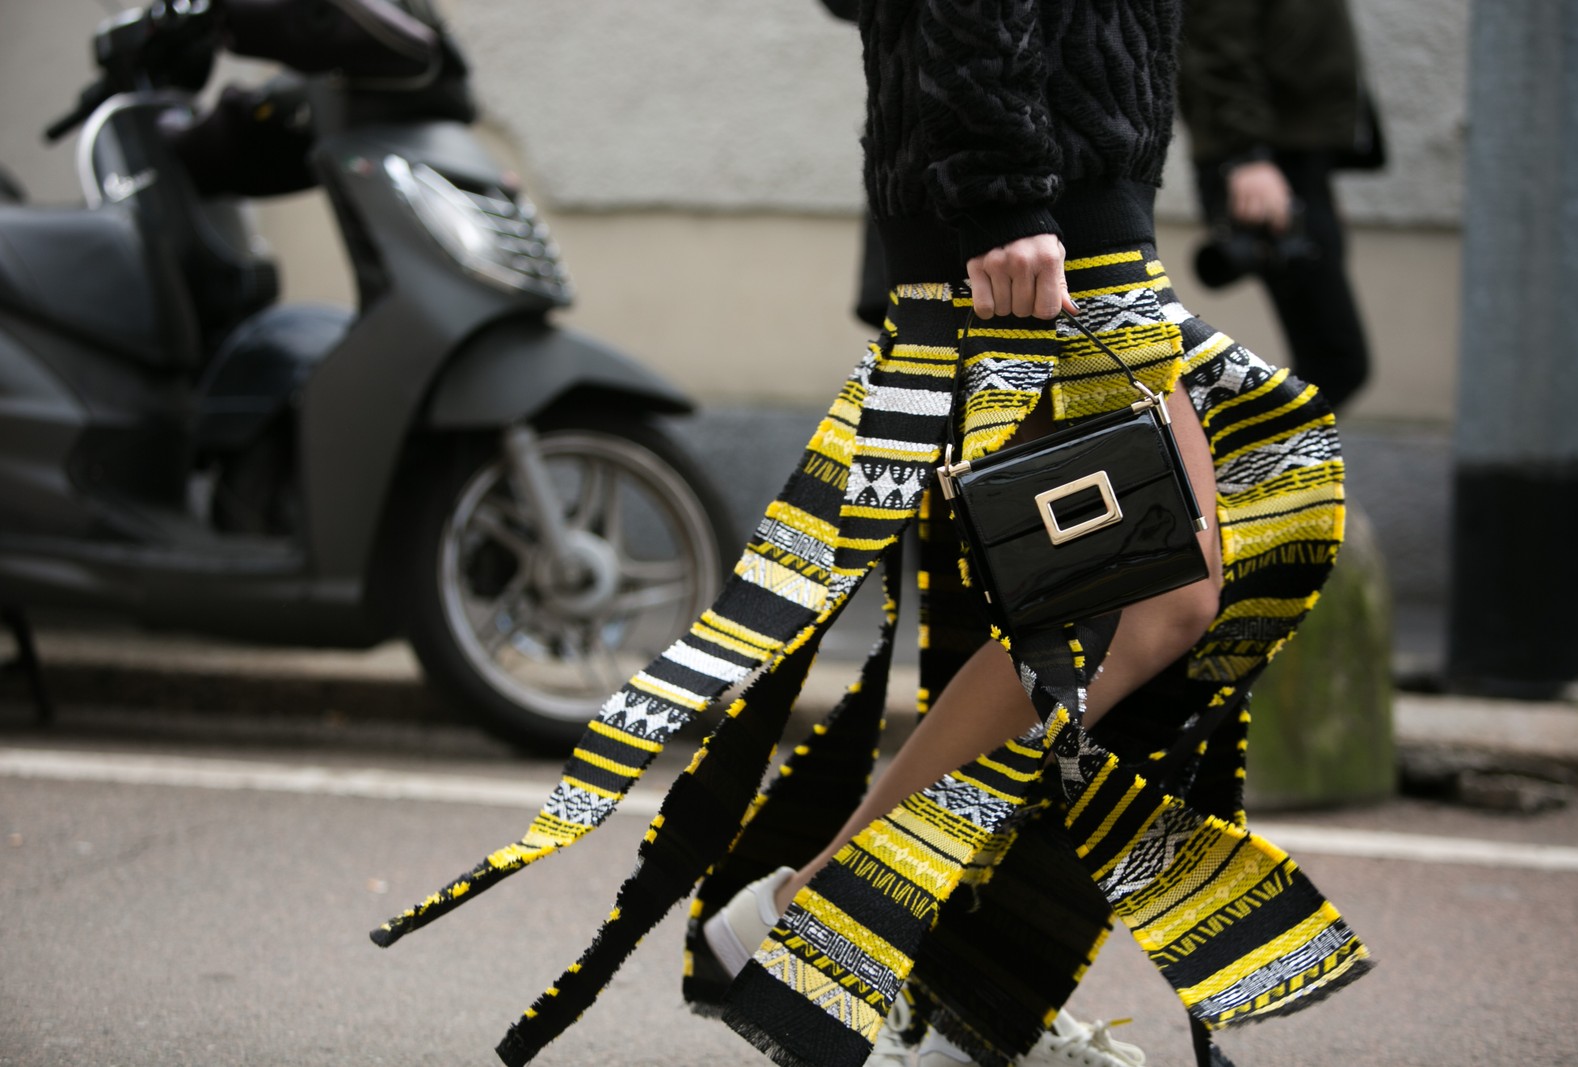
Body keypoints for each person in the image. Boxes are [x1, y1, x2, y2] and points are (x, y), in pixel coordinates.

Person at [371, 5, 1369, 1067]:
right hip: (1033, 211)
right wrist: (1001, 192)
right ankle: (826, 920)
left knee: (1119, 605)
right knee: (1138, 603)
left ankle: (950, 985)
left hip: (1072, 187)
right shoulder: (1013, 195)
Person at [1178, 0, 1382, 412]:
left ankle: (1231, 464)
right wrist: (1245, 155)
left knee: (1328, 358)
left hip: (1295, 162)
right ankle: (1214, 463)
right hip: (1266, 163)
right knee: (1336, 360)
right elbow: (1214, 41)